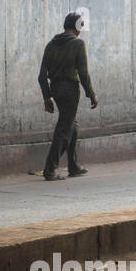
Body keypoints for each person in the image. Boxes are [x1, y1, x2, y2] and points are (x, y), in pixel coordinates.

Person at [37, 12, 98, 181]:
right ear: (78, 27)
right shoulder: (78, 44)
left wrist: (47, 97)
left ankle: (73, 165)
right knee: (64, 129)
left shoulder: (51, 44)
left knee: (72, 125)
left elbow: (41, 76)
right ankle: (50, 169)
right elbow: (84, 74)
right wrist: (91, 94)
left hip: (55, 89)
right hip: (70, 90)